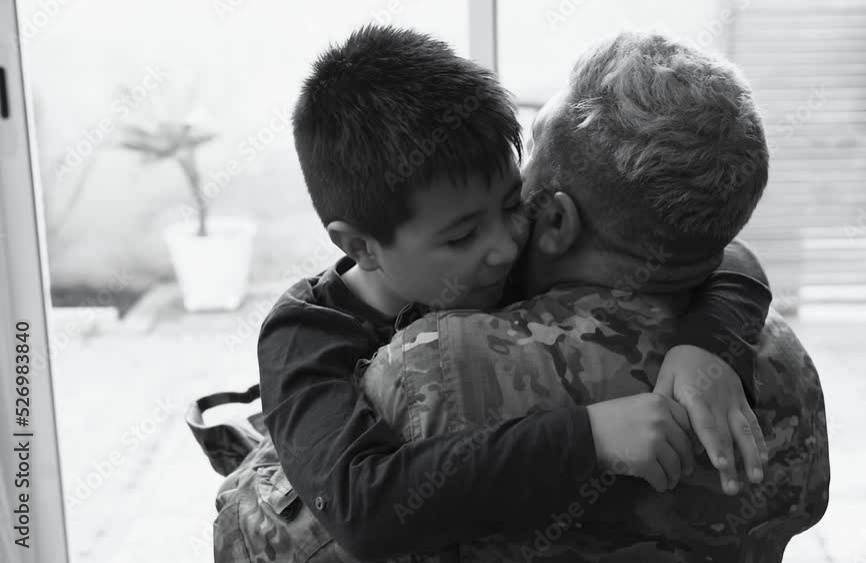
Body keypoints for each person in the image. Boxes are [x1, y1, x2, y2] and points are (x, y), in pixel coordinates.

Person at [231, 25, 772, 561]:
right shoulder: (304, 335)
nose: (507, 245)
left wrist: (708, 345)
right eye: (463, 234)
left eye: (514, 203)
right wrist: (587, 440)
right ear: (360, 245)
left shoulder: (487, 264)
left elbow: (729, 255)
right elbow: (361, 507)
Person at [358, 31, 830, 561]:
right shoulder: (785, 367)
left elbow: (277, 535)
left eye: (532, 147)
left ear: (557, 220)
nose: (514, 174)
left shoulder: (433, 367)